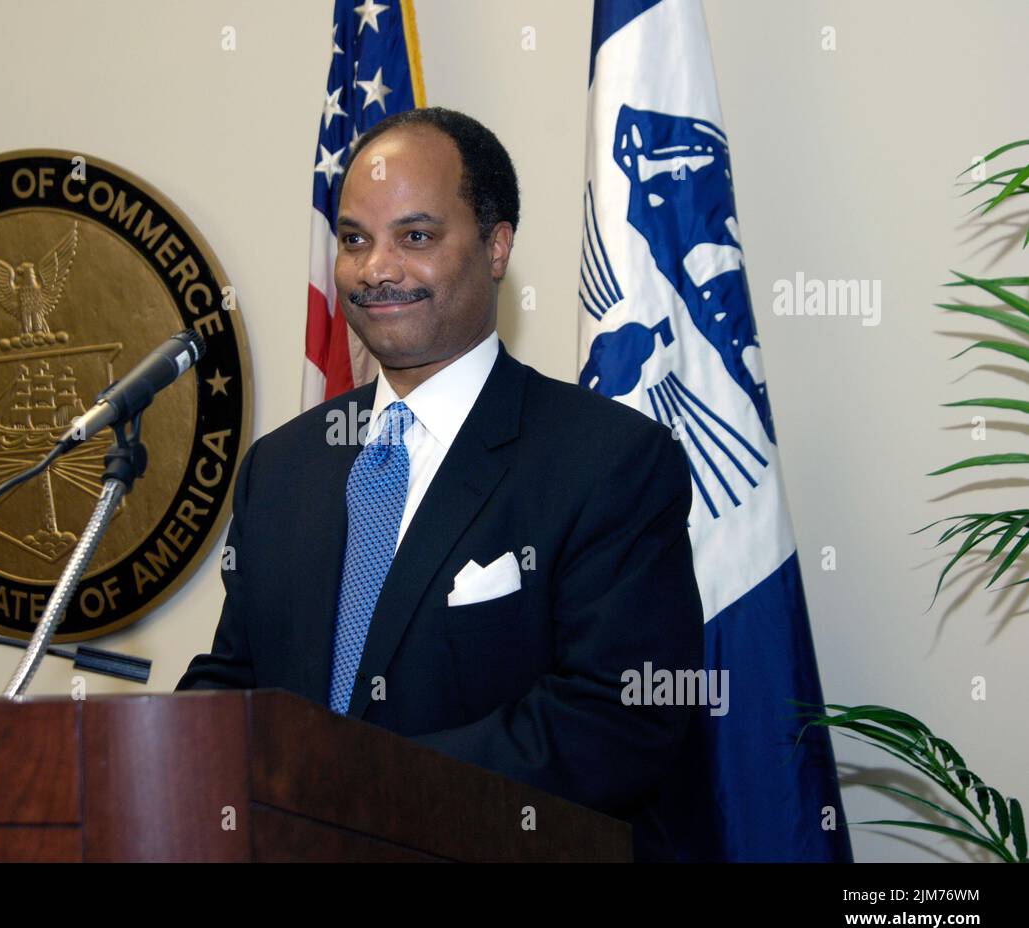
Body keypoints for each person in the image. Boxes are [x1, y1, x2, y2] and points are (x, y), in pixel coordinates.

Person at [177, 106, 704, 861]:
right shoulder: (282, 467)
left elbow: (614, 718)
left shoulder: (609, 460)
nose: (376, 268)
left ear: (497, 247)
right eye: (355, 239)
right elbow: (236, 683)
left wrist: (352, 785)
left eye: (415, 237)